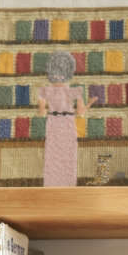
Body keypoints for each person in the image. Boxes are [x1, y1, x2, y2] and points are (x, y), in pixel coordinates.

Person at [37, 51, 96, 186]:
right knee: (68, 156)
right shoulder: (75, 91)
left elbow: (41, 113)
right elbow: (80, 113)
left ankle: (51, 185)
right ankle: (68, 185)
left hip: (53, 122)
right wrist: (90, 104)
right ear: (69, 71)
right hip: (68, 123)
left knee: (53, 156)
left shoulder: (44, 91)